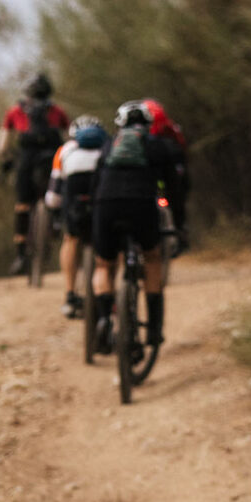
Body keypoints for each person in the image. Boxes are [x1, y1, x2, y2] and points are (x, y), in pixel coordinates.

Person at [87, 100, 172, 355]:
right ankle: (154, 328)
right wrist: (179, 218)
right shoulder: (156, 145)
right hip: (141, 205)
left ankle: (103, 318)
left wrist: (95, 212)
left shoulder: (108, 145)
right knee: (152, 258)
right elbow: (172, 187)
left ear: (120, 125)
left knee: (104, 264)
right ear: (148, 125)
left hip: (106, 205)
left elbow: (95, 182)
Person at [0, 74, 70, 275]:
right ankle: (54, 224)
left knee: (22, 204)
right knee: (54, 198)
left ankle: (20, 256)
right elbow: (69, 138)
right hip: (51, 160)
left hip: (26, 160)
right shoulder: (57, 111)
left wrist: (7, 161)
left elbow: (1, 146)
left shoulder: (16, 111)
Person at [45, 115, 106, 317]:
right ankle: (109, 292)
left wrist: (55, 212)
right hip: (102, 204)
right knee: (108, 243)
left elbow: (53, 196)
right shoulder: (108, 148)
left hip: (75, 205)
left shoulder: (64, 151)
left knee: (70, 239)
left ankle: (70, 294)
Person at [140, 96, 191, 246]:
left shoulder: (138, 132)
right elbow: (182, 149)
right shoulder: (171, 127)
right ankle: (180, 230)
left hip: (150, 170)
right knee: (177, 192)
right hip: (170, 167)